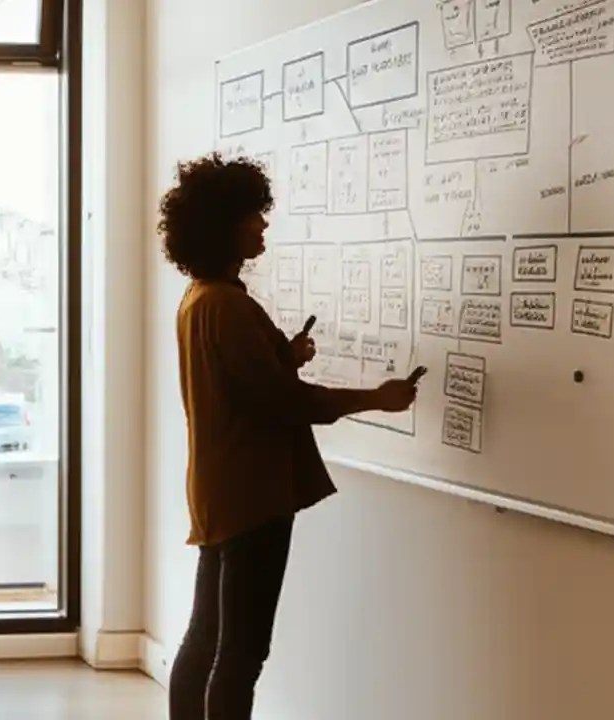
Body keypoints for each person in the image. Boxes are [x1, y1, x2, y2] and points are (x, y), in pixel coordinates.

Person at [159, 153, 419, 720]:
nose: (263, 224)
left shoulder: (200, 298)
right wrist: (377, 397)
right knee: (241, 652)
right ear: (224, 223)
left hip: (218, 492)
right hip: (252, 498)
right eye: (254, 214)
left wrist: (283, 355)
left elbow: (239, 380)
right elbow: (283, 403)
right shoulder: (227, 305)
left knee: (205, 636)